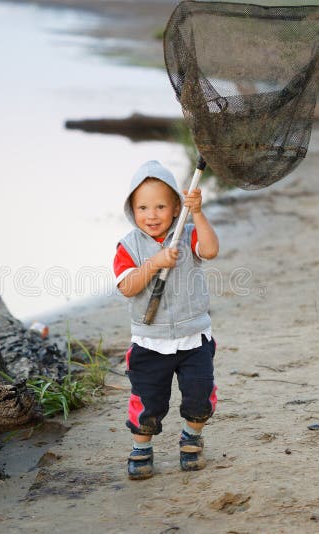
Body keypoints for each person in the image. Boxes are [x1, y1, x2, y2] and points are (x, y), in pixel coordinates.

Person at [113, 160, 219, 480]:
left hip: (193, 337)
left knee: (200, 397)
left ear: (176, 208)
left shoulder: (188, 234)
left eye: (161, 206)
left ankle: (191, 437)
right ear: (132, 210)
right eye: (143, 207)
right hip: (150, 341)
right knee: (148, 402)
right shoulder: (128, 246)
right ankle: (142, 447)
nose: (152, 214)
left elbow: (211, 250)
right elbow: (127, 286)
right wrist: (155, 263)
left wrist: (197, 213)